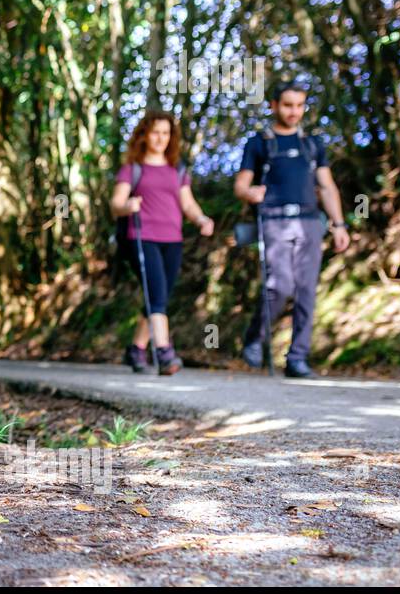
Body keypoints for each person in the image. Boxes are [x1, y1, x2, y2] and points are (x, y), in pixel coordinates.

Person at [234, 80, 350, 378]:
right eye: (287, 105)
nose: (294, 112)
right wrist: (251, 193)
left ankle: (297, 358)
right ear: (273, 105)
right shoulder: (259, 142)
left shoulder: (312, 144)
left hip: (310, 222)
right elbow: (241, 185)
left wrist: (338, 224)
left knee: (306, 291)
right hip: (274, 221)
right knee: (281, 285)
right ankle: (255, 336)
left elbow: (327, 186)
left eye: (299, 105)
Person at [110, 111, 215, 375]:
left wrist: (202, 219)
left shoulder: (177, 169)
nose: (161, 138)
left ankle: (136, 349)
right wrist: (127, 206)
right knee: (157, 294)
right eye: (155, 132)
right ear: (144, 135)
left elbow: (187, 203)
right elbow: (115, 204)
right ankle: (165, 352)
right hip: (142, 237)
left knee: (158, 297)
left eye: (166, 133)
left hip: (173, 239)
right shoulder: (132, 169)